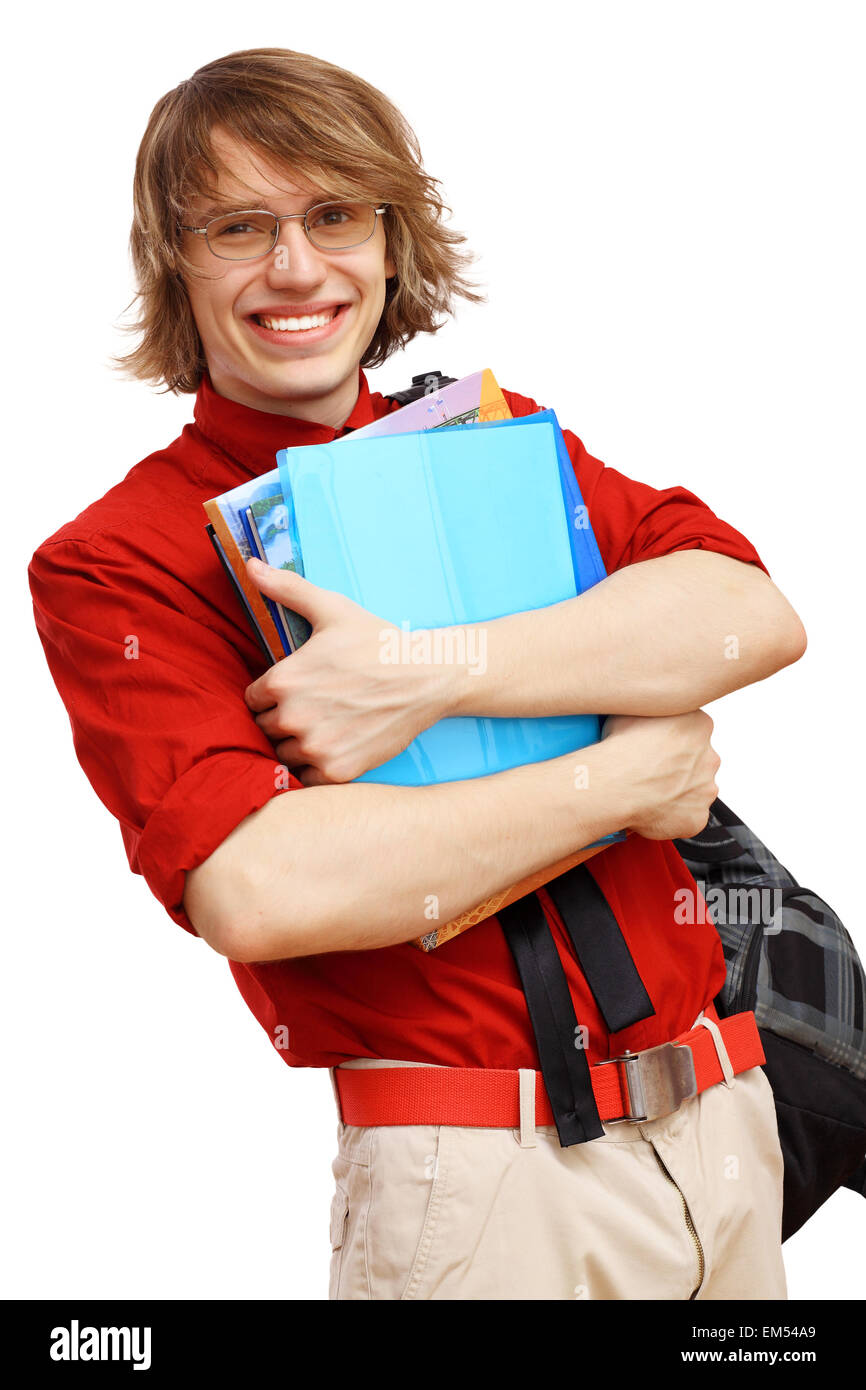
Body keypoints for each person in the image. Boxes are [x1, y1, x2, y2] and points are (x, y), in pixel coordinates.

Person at [28, 47, 808, 1301]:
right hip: (484, 1179)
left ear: (391, 242)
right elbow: (261, 888)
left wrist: (425, 675)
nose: (296, 268)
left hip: (724, 1136)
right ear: (175, 258)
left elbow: (743, 614)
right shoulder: (115, 560)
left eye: (334, 215)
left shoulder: (493, 439)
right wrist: (621, 776)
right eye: (240, 227)